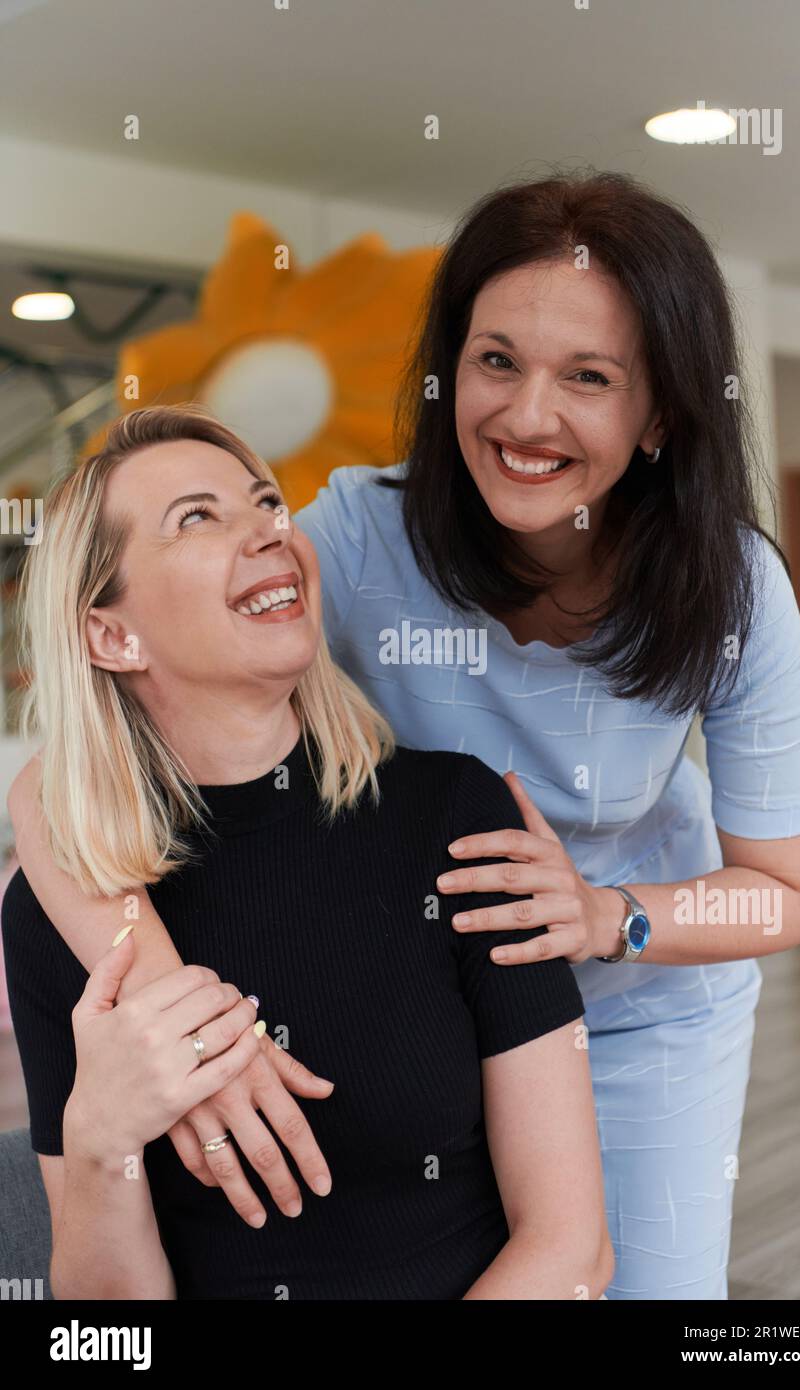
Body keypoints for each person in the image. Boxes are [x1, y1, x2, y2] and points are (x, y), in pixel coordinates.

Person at [9, 169, 800, 1300]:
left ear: (660, 418)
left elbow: (779, 891)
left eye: (587, 378)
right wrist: (185, 1024)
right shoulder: (351, 540)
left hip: (645, 999)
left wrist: (604, 917)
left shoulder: (729, 586)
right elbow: (68, 778)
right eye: (495, 362)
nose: (525, 416)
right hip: (429, 979)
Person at [1, 406, 611, 1300]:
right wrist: (98, 1141)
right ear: (111, 635)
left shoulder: (455, 815)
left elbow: (570, 1248)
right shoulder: (61, 913)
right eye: (198, 518)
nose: (268, 531)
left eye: (266, 503)